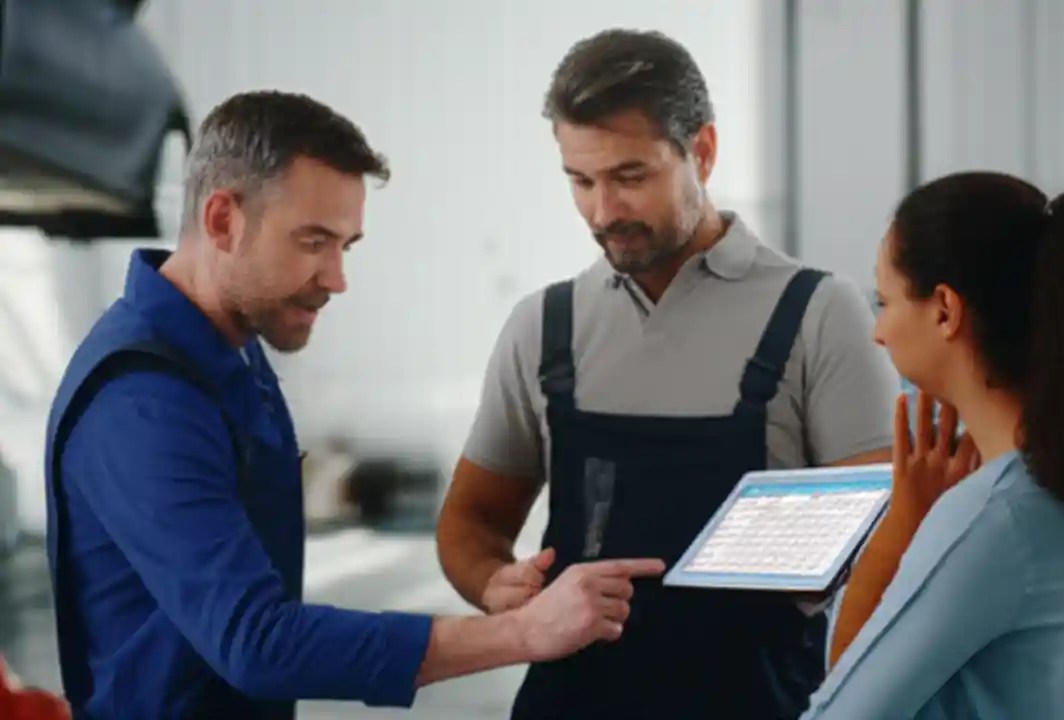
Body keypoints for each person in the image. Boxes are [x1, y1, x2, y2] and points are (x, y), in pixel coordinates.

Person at [42, 90, 664, 719]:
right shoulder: (143, 401)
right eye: (313, 242)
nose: (337, 278)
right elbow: (256, 641)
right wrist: (524, 634)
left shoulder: (228, 349)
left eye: (346, 245)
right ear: (223, 221)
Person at [435, 28, 899, 720]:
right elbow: (469, 522)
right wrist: (494, 586)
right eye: (580, 181)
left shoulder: (817, 314)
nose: (602, 211)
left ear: (702, 151)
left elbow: (888, 537)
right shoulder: (543, 326)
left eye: (630, 177)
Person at [806, 171, 1064, 719]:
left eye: (884, 302)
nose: (877, 332)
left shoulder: (995, 517)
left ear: (946, 310)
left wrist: (906, 519)